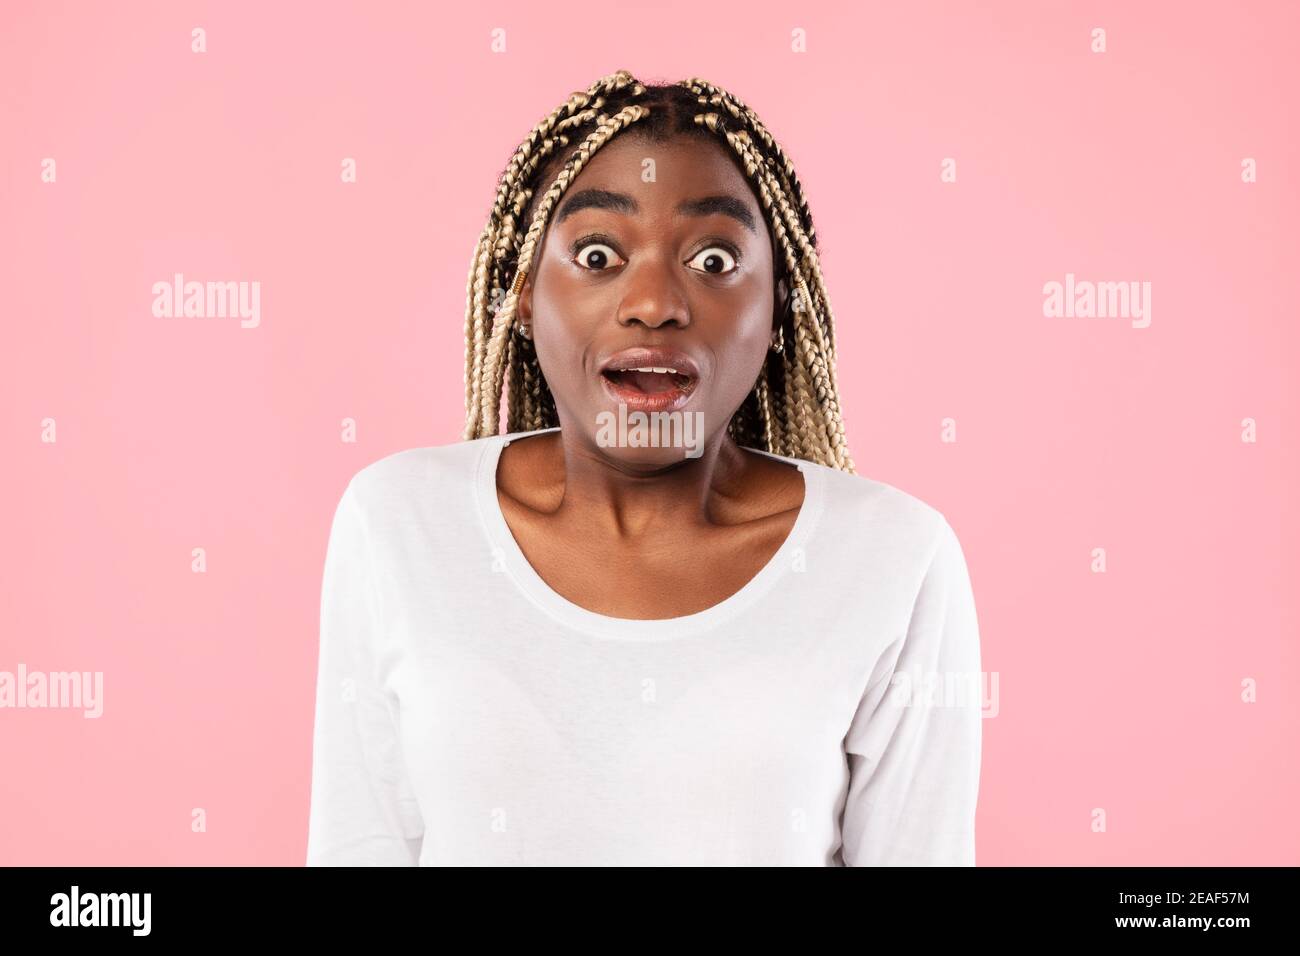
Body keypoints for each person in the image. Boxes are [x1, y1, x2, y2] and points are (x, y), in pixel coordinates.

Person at [306, 70, 983, 866]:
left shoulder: (894, 559)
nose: (655, 301)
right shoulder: (398, 526)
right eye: (598, 254)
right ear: (524, 295)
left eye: (716, 259)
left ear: (778, 308)